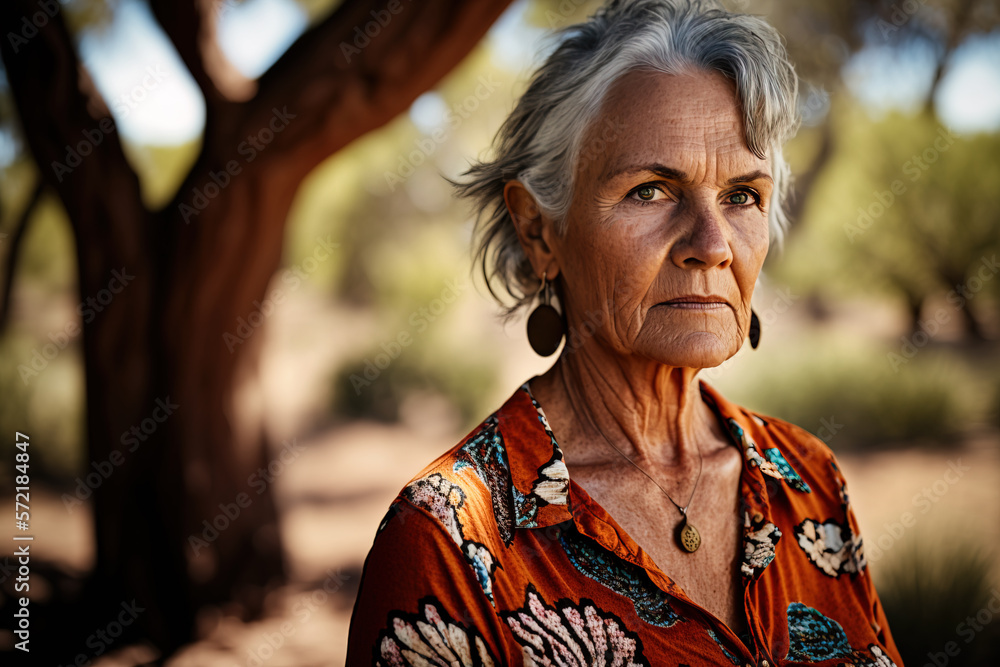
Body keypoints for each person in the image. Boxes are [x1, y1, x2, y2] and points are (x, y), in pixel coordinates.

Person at [346, 1, 902, 664]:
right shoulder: (449, 540)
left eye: (742, 195)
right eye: (651, 190)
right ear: (538, 229)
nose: (711, 244)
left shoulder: (809, 480)